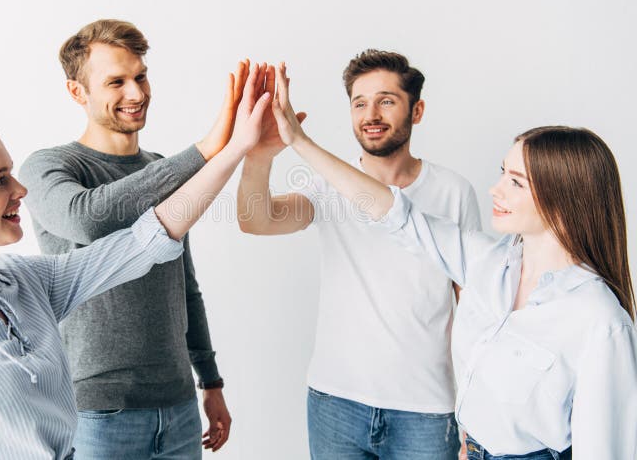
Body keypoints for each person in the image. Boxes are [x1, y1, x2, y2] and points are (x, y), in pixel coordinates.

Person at [0, 63, 271, 459]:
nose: (20, 189)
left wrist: (233, 150)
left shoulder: (26, 284)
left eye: (10, 173)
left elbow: (149, 238)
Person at [269, 62, 637, 459]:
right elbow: (396, 214)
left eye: (515, 182)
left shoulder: (599, 322)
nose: (496, 189)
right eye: (502, 173)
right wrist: (298, 142)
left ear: (564, 200)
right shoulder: (487, 263)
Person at [19, 20, 261, 458]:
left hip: (179, 405)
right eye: (116, 82)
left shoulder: (163, 166)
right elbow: (90, 218)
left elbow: (184, 286)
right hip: (99, 412)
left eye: (141, 76)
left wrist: (210, 381)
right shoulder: (48, 168)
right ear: (77, 92)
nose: (136, 94)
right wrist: (209, 148)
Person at [237, 51, 479, 459]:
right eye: (359, 103)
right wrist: (259, 155)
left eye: (386, 100)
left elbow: (473, 306)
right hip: (336, 403)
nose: (372, 114)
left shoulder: (454, 192)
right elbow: (256, 220)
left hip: (426, 411)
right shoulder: (327, 185)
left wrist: (475, 410)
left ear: (416, 111)